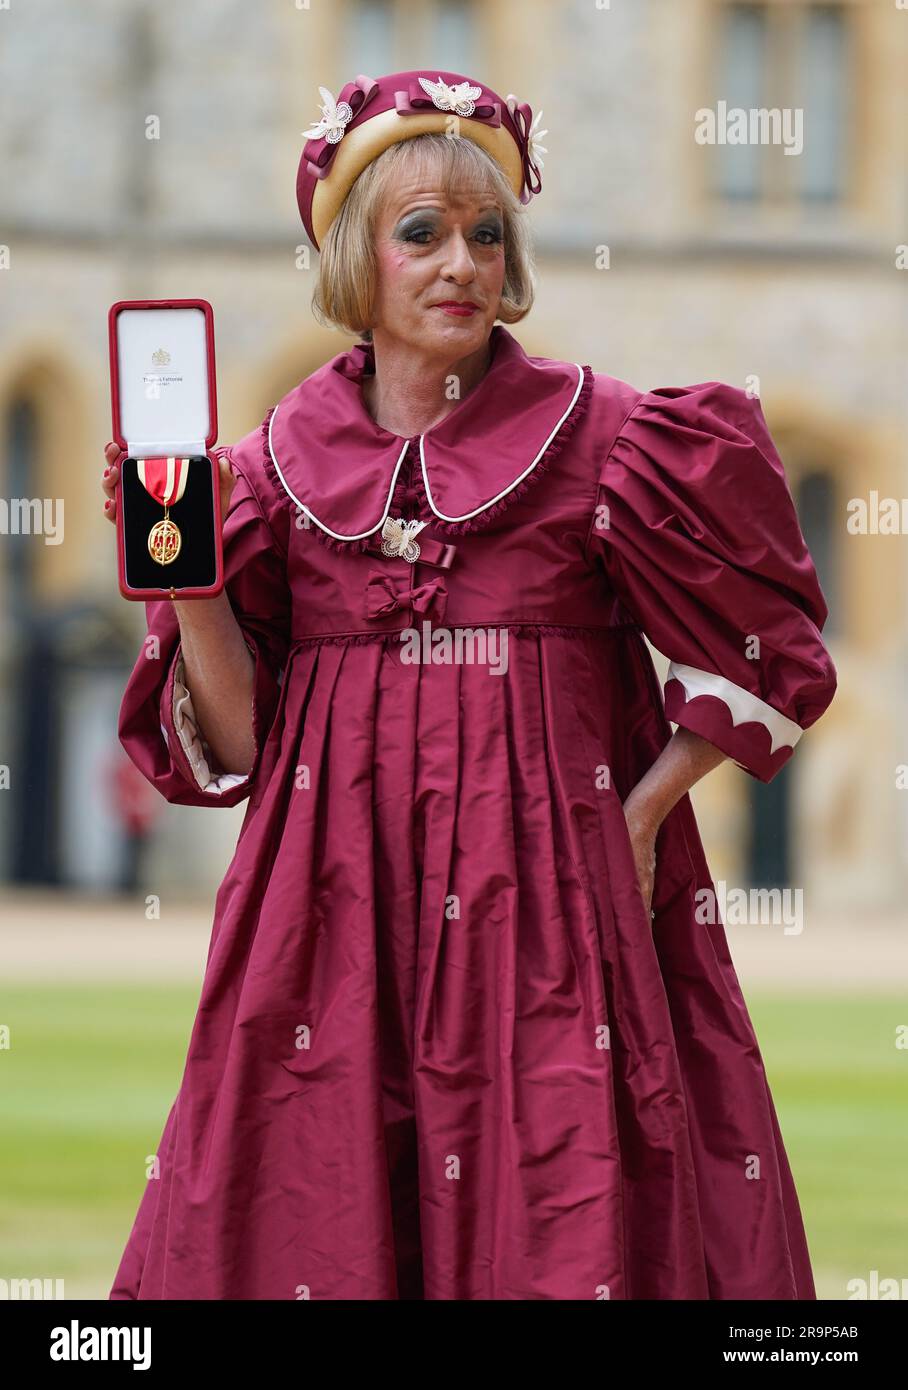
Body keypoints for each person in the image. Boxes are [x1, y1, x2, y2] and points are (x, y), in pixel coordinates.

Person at [102, 69, 836, 1300]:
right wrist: (186, 579)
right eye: (422, 233)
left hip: (549, 895)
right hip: (330, 904)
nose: (461, 263)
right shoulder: (270, 470)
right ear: (356, 261)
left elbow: (760, 633)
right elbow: (235, 744)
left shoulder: (608, 435)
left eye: (486, 233)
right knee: (318, 1199)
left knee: (554, 1203)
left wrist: (642, 810)